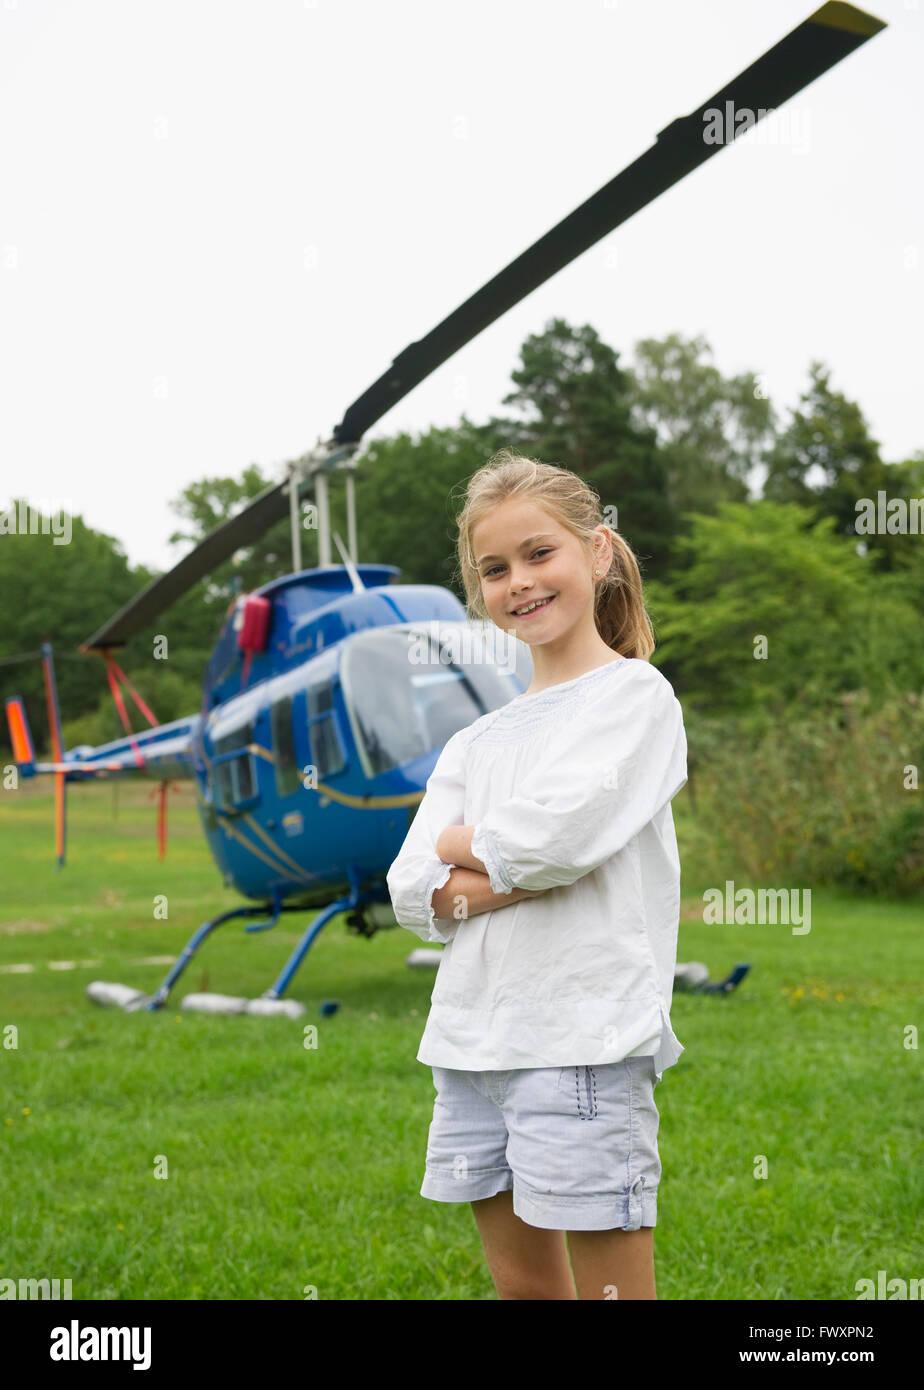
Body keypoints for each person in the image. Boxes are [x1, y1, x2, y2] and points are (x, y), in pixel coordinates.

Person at [386, 448, 690, 1301]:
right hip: (473, 1043)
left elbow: (557, 839)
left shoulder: (634, 697)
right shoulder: (474, 742)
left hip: (584, 1038)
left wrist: (460, 850)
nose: (518, 580)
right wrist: (477, 859)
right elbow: (410, 888)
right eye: (494, 568)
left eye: (538, 554)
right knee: (523, 1288)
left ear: (596, 552)